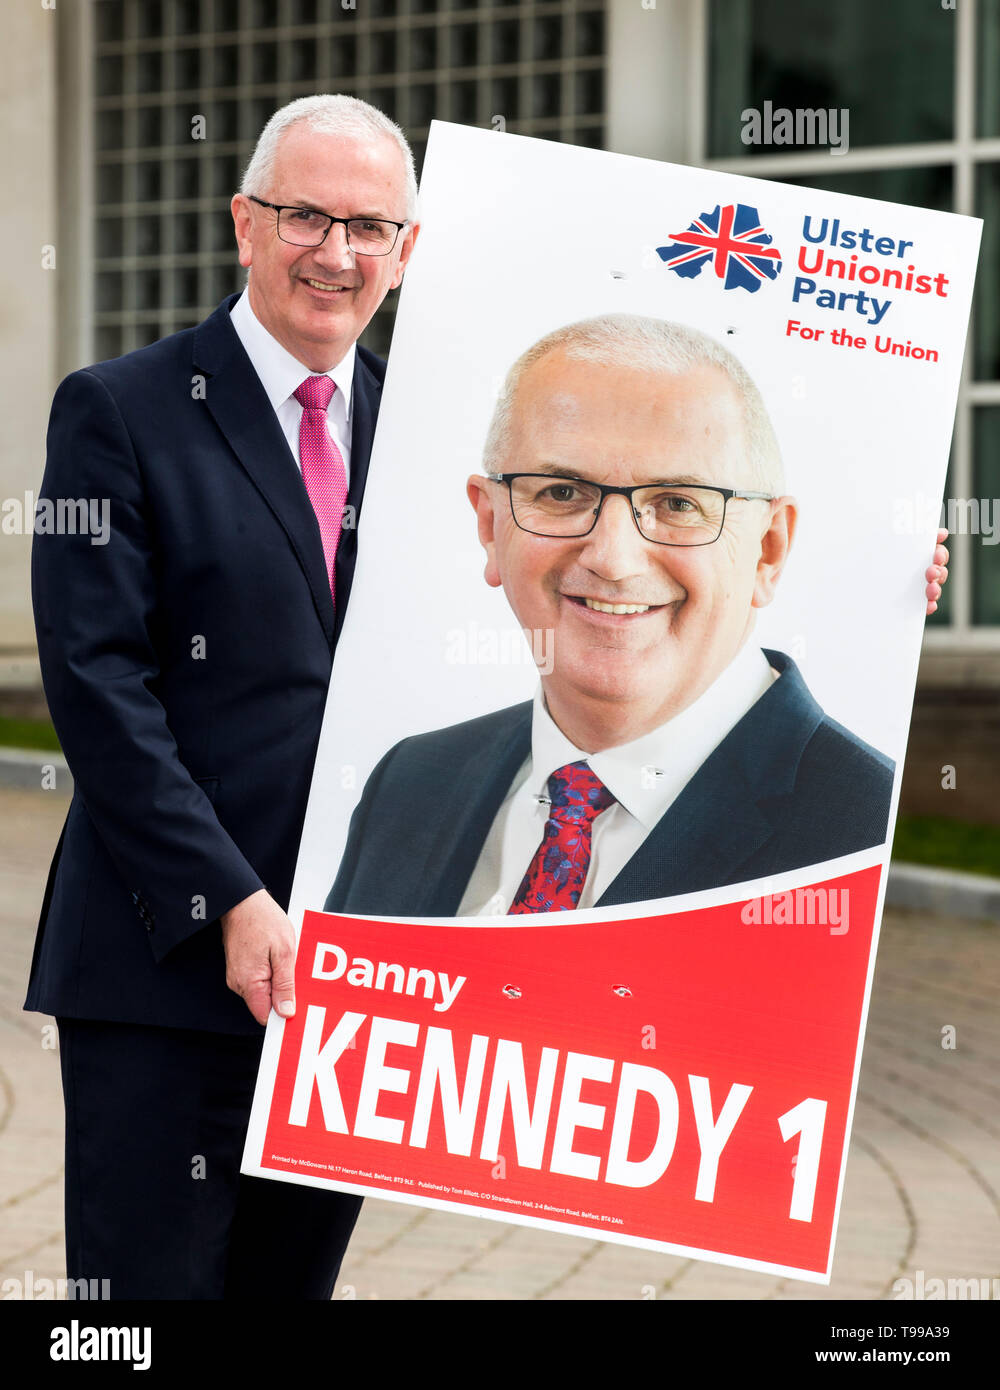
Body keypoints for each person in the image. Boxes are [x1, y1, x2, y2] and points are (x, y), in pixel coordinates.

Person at [25, 94, 419, 1299]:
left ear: (409, 251)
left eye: (368, 226)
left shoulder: (439, 435)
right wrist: (230, 896)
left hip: (346, 985)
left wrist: (859, 586)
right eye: (306, 215)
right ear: (243, 222)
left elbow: (566, 603)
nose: (335, 253)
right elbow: (96, 687)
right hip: (165, 964)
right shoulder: (120, 410)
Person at [327, 315, 940, 919]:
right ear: (490, 525)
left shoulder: (864, 834)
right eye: (562, 493)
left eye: (678, 503)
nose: (614, 561)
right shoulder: (407, 784)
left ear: (768, 550)